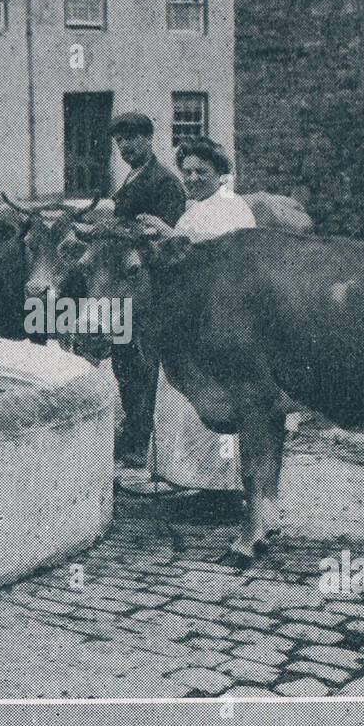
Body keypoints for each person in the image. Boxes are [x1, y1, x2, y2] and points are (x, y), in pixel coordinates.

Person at [150, 137, 256, 496]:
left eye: (202, 172)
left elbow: (225, 252)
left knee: (217, 399)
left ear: (219, 172)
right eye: (187, 171)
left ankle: (224, 486)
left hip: (223, 313)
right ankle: (195, 479)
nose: (193, 178)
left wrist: (170, 234)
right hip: (194, 313)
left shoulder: (232, 205)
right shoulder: (197, 206)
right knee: (184, 396)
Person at [107, 112, 187, 467]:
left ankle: (141, 442)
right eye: (120, 141)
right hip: (126, 283)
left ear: (148, 138)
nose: (125, 146)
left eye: (132, 138)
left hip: (150, 286)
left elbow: (168, 236)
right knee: (124, 359)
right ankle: (134, 430)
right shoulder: (134, 176)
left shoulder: (164, 181)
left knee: (143, 361)